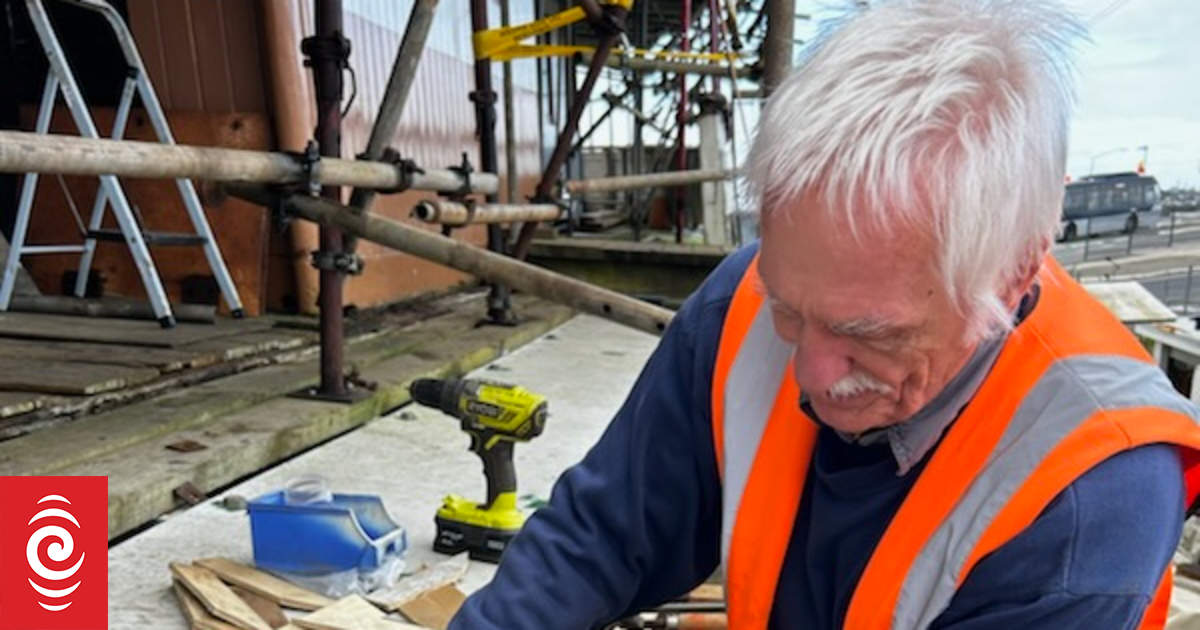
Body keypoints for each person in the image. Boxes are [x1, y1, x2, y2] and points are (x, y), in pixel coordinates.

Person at [450, 1, 1200, 628]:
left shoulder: (1090, 498)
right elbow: (601, 538)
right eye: (788, 309)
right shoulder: (740, 303)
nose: (809, 375)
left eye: (868, 334)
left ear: (1014, 272)